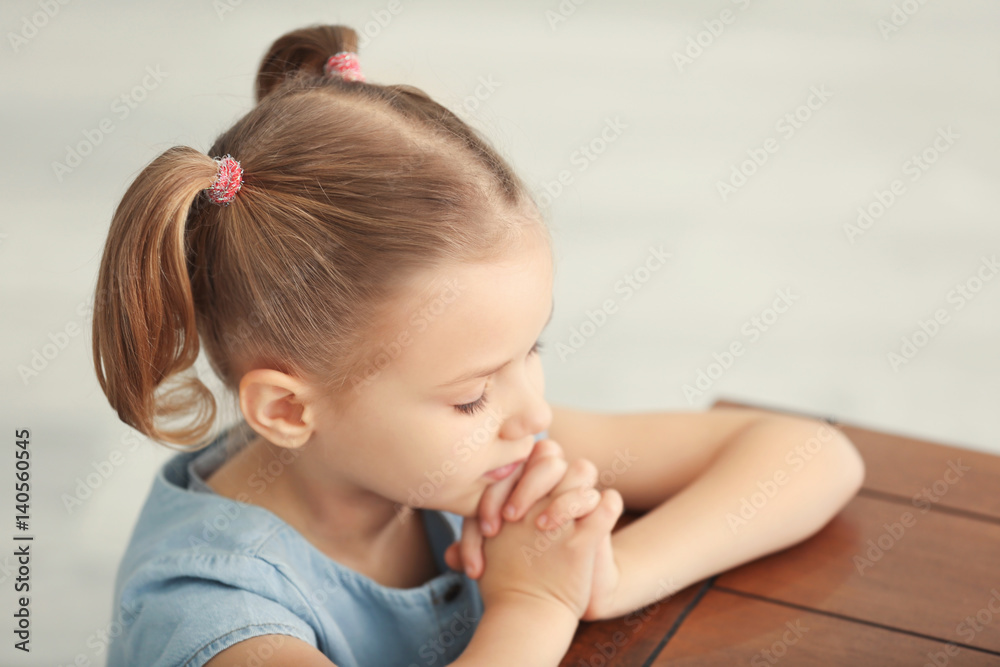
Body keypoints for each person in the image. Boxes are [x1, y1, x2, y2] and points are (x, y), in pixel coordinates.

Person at [93, 24, 865, 667]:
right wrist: (534, 603)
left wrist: (604, 577)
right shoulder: (214, 611)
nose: (533, 414)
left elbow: (813, 457)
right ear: (290, 410)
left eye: (533, 350)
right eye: (471, 395)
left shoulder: (469, 453)